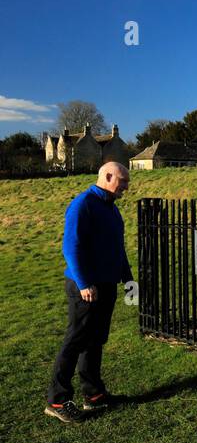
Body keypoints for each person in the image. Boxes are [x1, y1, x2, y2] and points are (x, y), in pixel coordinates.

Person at [45, 161, 133, 424]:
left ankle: (93, 395)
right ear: (107, 176)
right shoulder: (82, 204)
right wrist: (84, 284)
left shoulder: (112, 210)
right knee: (75, 341)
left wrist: (128, 280)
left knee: (95, 341)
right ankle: (57, 400)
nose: (126, 187)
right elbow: (71, 248)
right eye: (123, 181)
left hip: (106, 285)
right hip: (85, 288)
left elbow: (118, 249)